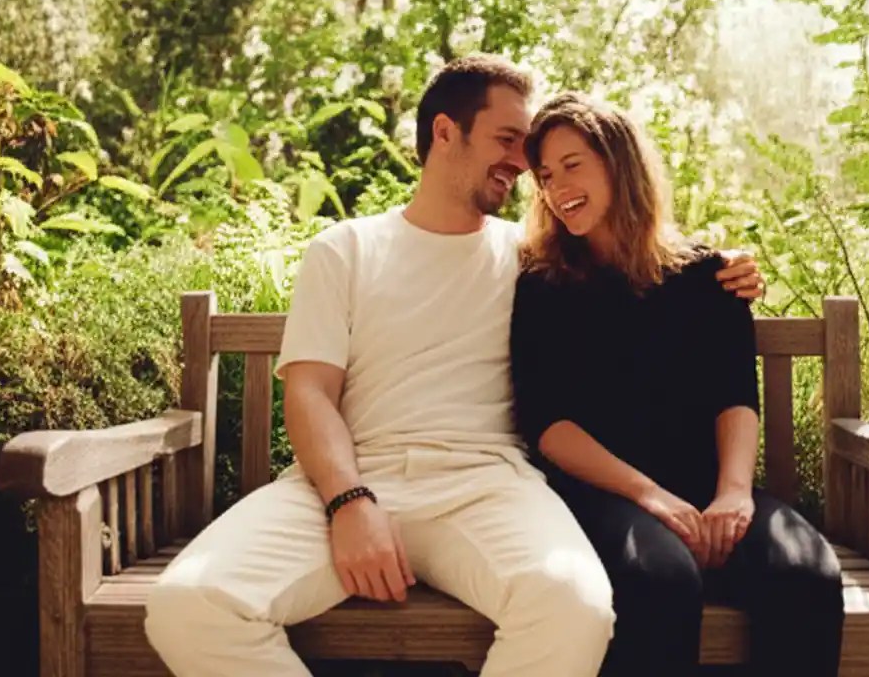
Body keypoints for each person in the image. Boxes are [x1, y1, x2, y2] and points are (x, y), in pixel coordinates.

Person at [143, 55, 766, 676]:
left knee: (572, 606)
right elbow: (310, 395)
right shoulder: (345, 249)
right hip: (347, 482)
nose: (523, 163)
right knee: (189, 604)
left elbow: (636, 264)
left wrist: (726, 267)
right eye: (507, 140)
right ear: (445, 132)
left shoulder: (534, 260)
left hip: (487, 487)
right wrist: (349, 501)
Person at [508, 92, 843, 677]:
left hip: (708, 487)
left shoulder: (708, 276)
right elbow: (549, 426)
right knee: (659, 578)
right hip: (604, 496)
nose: (557, 187)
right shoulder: (544, 287)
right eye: (545, 176)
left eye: (572, 164)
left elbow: (734, 394)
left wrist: (733, 493)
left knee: (804, 573)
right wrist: (650, 496)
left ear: (618, 163)